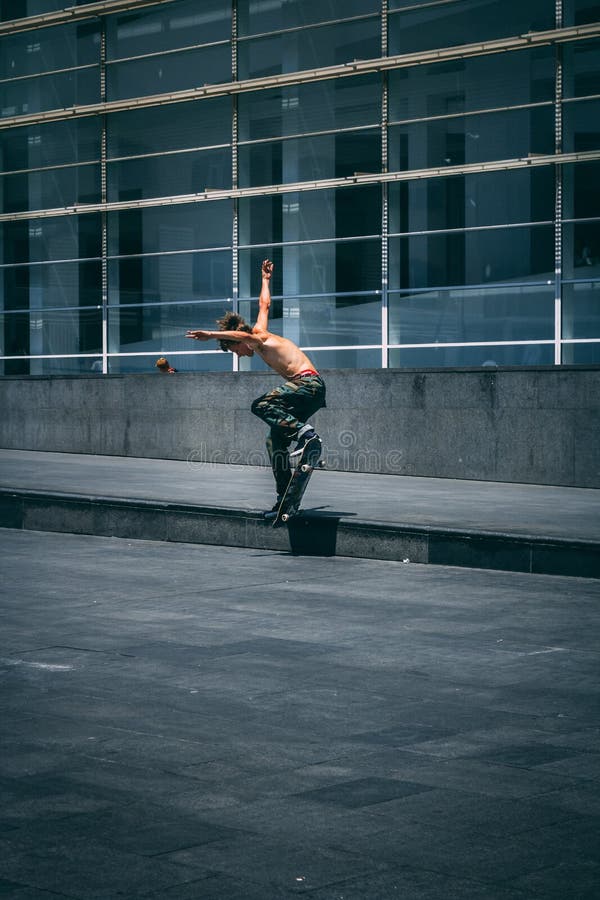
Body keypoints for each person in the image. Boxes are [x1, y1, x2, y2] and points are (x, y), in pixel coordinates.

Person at [186, 259, 326, 511]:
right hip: (308, 392)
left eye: (235, 350)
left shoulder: (257, 339)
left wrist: (212, 335)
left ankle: (306, 434)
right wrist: (265, 279)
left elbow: (245, 336)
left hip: (309, 385)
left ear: (239, 341)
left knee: (261, 404)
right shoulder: (261, 330)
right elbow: (265, 304)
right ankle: (286, 496)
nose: (238, 355)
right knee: (275, 441)